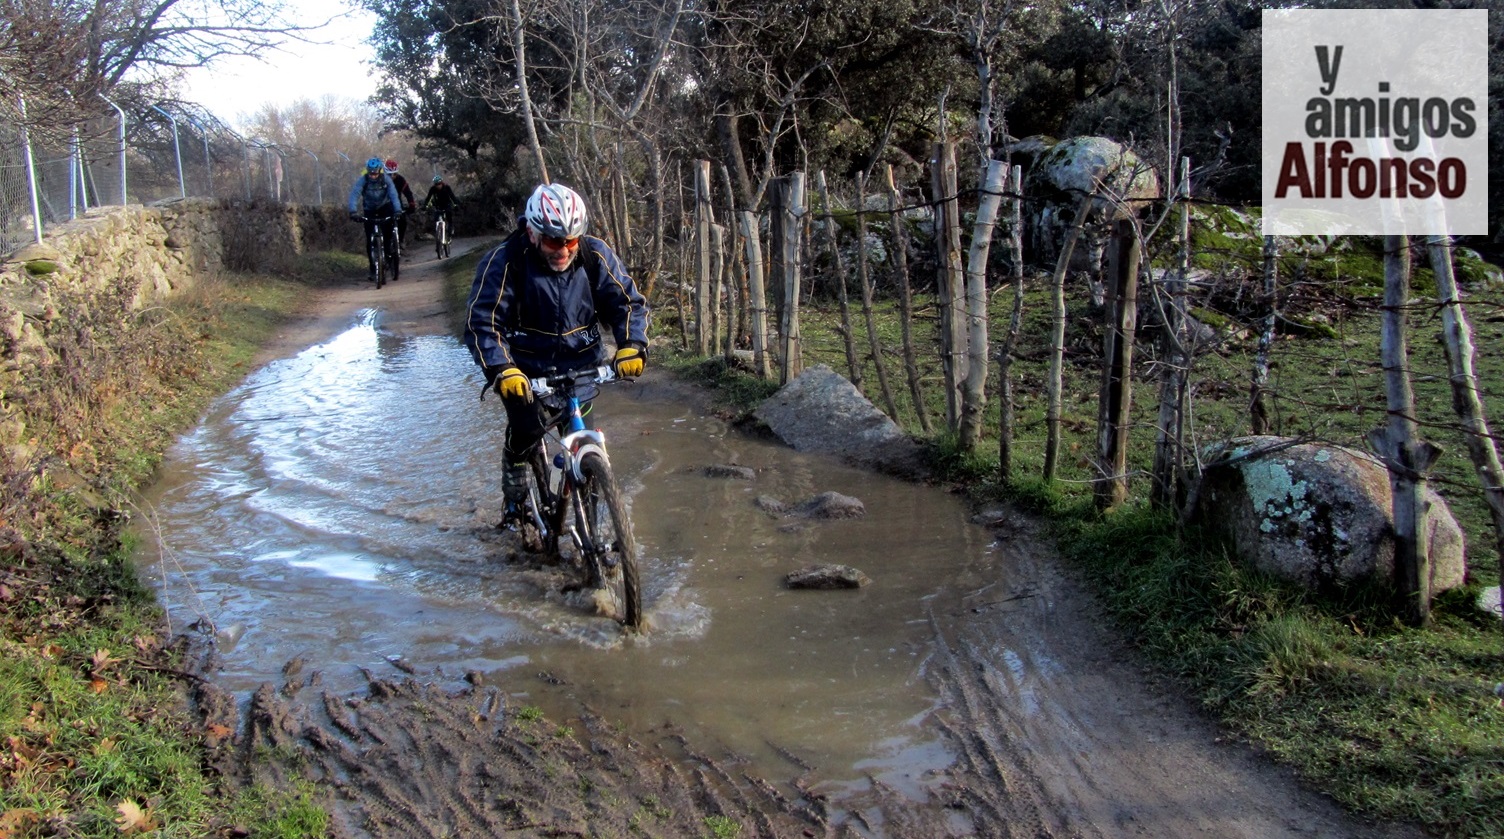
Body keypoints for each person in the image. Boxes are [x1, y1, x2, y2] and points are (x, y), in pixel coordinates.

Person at [464, 183, 650, 522]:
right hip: (524, 372)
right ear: (532, 233)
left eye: (571, 241)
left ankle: (590, 525)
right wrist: (502, 368)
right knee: (526, 431)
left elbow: (627, 304)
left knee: (584, 444)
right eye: (553, 241)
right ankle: (515, 485)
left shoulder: (594, 255)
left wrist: (631, 346)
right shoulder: (506, 261)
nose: (563, 250)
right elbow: (483, 322)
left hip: (582, 368)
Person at [347, 157, 403, 283]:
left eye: (375, 173)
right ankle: (373, 268)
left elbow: (393, 195)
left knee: (387, 236)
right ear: (368, 171)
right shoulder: (363, 180)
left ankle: (388, 257)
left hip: (385, 208)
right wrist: (353, 211)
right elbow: (354, 194)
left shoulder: (386, 179)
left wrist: (397, 210)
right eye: (371, 174)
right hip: (369, 210)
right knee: (369, 240)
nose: (373, 176)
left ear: (379, 171)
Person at [383, 159, 418, 256]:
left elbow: (408, 193)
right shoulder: (381, 180)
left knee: (403, 221)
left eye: (394, 174)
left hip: (397, 204)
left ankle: (401, 240)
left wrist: (412, 204)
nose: (392, 176)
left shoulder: (400, 180)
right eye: (390, 174)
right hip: (384, 205)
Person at [424, 175, 459, 241]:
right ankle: (439, 232)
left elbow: (452, 196)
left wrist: (455, 205)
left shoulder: (447, 187)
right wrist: (425, 206)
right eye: (436, 184)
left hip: (447, 205)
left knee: (449, 216)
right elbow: (428, 198)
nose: (438, 186)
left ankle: (450, 230)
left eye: (439, 184)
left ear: (442, 183)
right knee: (436, 218)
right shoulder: (433, 189)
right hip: (438, 206)